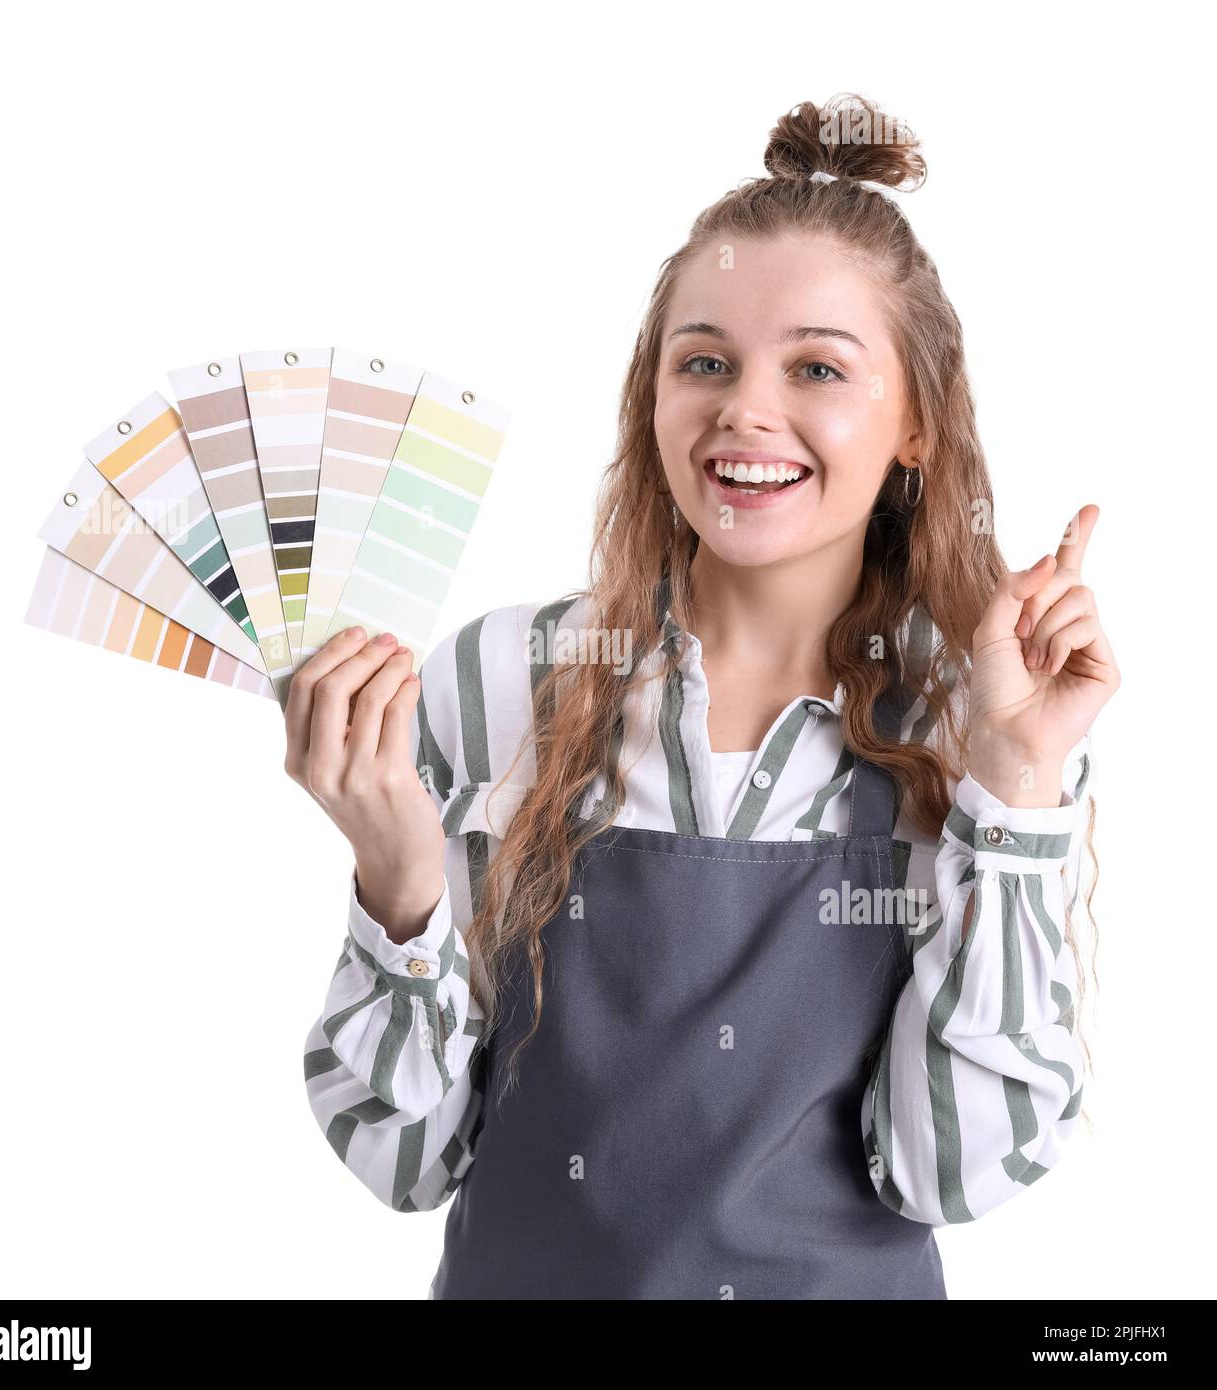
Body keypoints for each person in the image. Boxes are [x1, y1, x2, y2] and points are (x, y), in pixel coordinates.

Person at [292, 93, 1119, 1300]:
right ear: (653, 400)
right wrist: (398, 885)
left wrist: (1014, 785)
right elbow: (406, 1158)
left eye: (817, 366)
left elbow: (951, 1173)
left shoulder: (973, 718)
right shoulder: (496, 679)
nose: (743, 408)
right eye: (705, 362)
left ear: (916, 427)